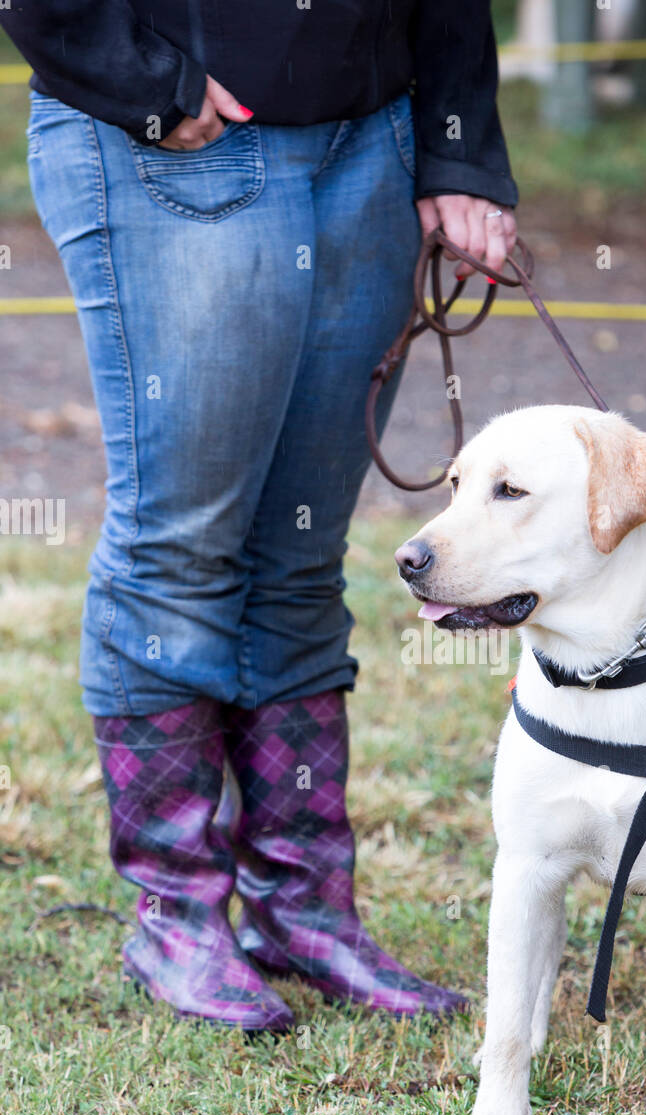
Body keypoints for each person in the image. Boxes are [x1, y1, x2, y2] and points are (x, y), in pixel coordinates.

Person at [2, 1, 518, 1032]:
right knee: (180, 544)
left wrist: (458, 147)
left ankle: (303, 907)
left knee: (299, 551)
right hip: (177, 145)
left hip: (370, 139)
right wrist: (146, 82)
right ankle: (178, 914)